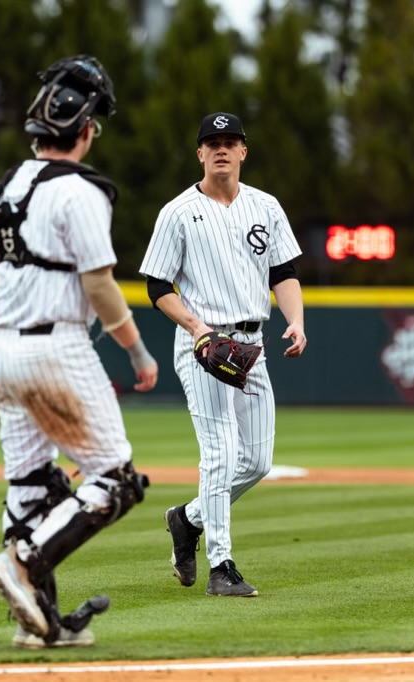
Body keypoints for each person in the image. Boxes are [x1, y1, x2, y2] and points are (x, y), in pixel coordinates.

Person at [0, 55, 158, 649]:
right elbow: (99, 284)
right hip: (56, 349)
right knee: (116, 479)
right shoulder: (81, 192)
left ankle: (43, 624)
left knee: (29, 486)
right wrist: (136, 350)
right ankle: (22, 565)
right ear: (84, 132)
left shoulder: (0, 189)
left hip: (2, 347)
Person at [139, 112, 307, 597]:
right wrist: (196, 328)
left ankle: (186, 519)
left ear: (243, 151)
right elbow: (156, 285)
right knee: (220, 454)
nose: (221, 149)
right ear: (199, 154)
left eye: (230, 141)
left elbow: (284, 272)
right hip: (204, 345)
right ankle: (221, 566)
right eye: (212, 142)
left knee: (256, 461)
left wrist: (296, 320)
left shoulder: (266, 206)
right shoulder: (177, 212)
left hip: (252, 345)